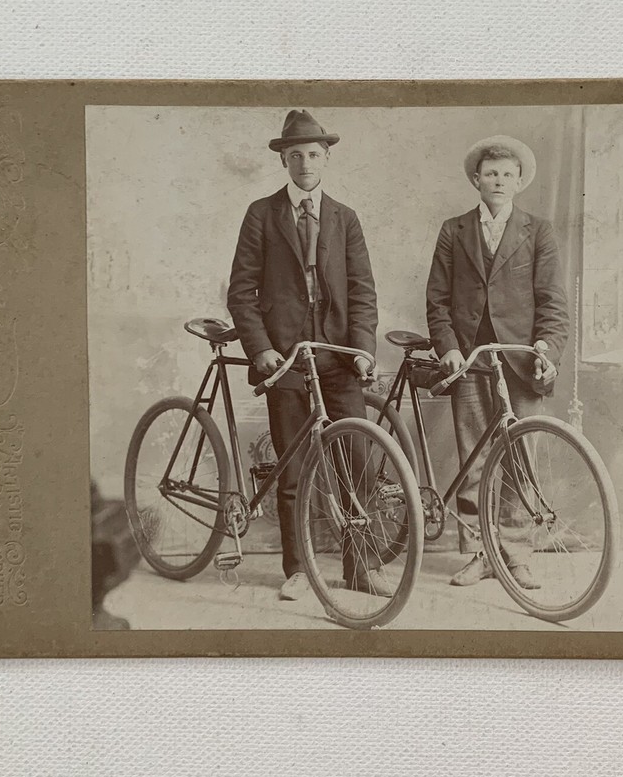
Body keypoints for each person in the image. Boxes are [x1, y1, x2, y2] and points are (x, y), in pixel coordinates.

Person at [228, 109, 392, 601]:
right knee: (294, 470)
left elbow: (363, 292)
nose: (304, 163)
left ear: (327, 158)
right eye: (294, 154)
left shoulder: (345, 218)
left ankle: (359, 567)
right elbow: (242, 293)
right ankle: (298, 569)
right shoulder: (262, 213)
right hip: (286, 361)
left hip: (339, 360)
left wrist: (362, 350)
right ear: (283, 160)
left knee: (357, 466)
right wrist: (261, 351)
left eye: (313, 154)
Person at [426, 135, 570, 587]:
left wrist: (547, 348)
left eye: (508, 174)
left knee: (520, 458)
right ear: (476, 179)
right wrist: (448, 347)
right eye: (491, 173)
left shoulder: (538, 230)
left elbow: (552, 301)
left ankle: (514, 552)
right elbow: (437, 300)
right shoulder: (454, 230)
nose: (499, 181)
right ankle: (478, 552)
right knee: (473, 458)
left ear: (520, 181)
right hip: (470, 360)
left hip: (521, 360)